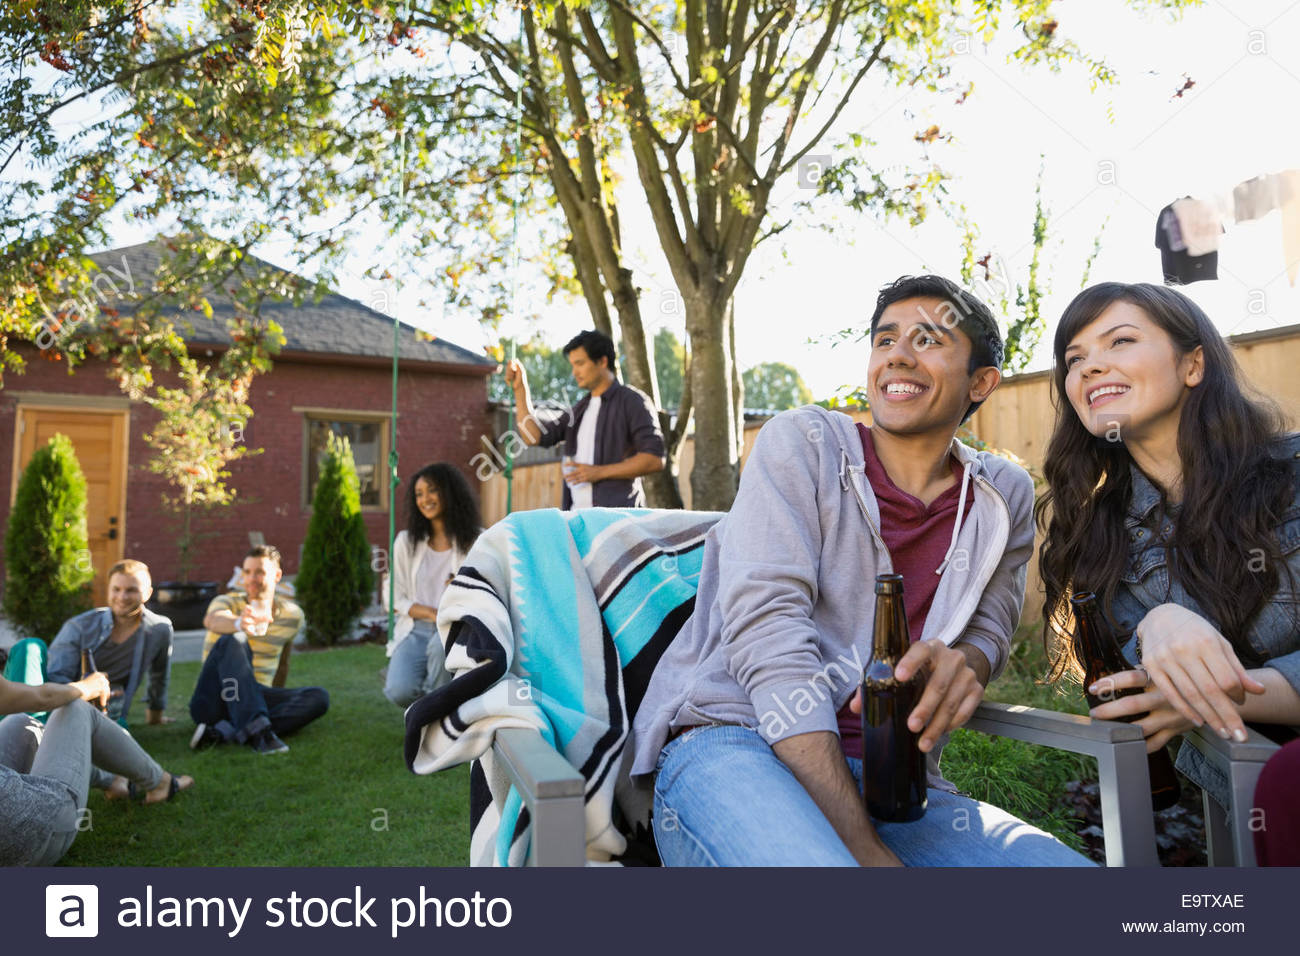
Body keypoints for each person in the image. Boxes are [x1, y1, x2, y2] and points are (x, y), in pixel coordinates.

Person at [630, 275, 1090, 866]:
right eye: (885, 339)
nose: (897, 354)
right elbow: (768, 635)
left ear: (981, 382)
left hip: (895, 778)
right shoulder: (804, 445)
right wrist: (860, 846)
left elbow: (990, 629)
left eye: (928, 339)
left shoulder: (1002, 495)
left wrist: (966, 664)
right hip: (737, 744)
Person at [1037, 281, 1300, 864]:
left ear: (1193, 364)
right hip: (1257, 808)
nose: (1090, 366)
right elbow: (1144, 701)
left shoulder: (1295, 477)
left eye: (1120, 340)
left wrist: (1224, 688)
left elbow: (1191, 697)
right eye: (1074, 359)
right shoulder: (1098, 543)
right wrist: (1159, 623)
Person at [0, 670, 193, 866]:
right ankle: (161, 783)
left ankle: (114, 781)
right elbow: (43, 698)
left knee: (22, 724)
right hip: (29, 839)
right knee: (74, 708)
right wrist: (88, 686)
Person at [188, 545, 329, 754]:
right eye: (247, 572)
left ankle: (224, 732)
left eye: (260, 572)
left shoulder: (292, 616)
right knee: (232, 641)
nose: (251, 578)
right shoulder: (226, 602)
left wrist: (278, 694)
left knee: (318, 697)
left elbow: (283, 662)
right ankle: (260, 735)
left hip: (258, 695)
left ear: (277, 575)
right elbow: (213, 620)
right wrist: (239, 624)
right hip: (215, 699)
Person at [505, 329, 666, 509]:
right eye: (573, 365)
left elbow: (654, 459)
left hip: (619, 522)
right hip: (576, 520)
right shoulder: (579, 409)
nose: (575, 372)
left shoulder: (633, 401)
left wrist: (599, 472)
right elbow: (533, 437)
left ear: (602, 361)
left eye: (580, 363)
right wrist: (520, 390)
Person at [382, 463, 482, 707]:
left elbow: (486, 595)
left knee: (440, 650)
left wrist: (461, 588)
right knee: (399, 691)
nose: (425, 499)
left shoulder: (478, 540)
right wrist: (430, 613)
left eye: (432, 490)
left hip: (455, 627)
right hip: (414, 628)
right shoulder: (406, 542)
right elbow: (392, 597)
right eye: (419, 493)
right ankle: (435, 712)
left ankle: (433, 723)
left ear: (449, 492)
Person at [34, 559, 174, 727]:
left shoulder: (160, 629)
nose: (122, 597)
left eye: (131, 590)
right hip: (69, 700)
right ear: (108, 590)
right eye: (116, 589)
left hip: (111, 703)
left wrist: (155, 717)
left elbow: (159, 676)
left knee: (120, 726)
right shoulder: (79, 627)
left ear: (148, 593)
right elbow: (57, 678)